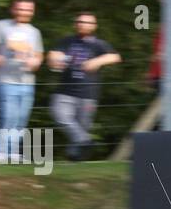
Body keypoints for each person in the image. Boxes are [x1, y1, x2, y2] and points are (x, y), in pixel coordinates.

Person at [47, 12, 122, 161]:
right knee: (60, 117)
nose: (83, 24)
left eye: (88, 22)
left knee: (82, 127)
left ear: (94, 26)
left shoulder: (99, 44)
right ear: (76, 24)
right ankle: (84, 140)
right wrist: (54, 59)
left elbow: (115, 57)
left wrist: (98, 61)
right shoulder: (67, 41)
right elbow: (52, 54)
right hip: (65, 91)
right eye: (80, 21)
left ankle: (75, 159)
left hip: (88, 94)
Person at [0, 0, 43, 162]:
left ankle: (14, 153)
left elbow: (38, 54)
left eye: (28, 10)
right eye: (21, 9)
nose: (24, 12)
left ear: (32, 11)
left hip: (27, 81)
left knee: (21, 119)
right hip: (6, 80)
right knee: (8, 117)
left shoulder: (34, 32)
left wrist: (36, 62)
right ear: (13, 9)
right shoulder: (0, 26)